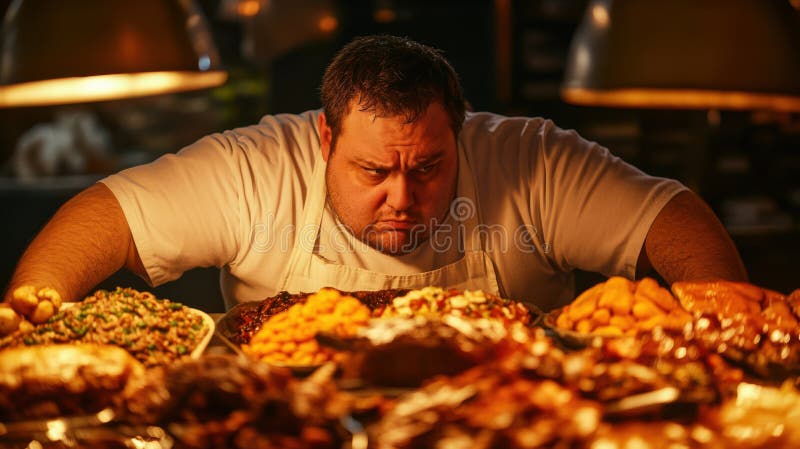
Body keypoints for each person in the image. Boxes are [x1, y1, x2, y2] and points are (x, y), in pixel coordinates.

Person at [4, 35, 747, 311]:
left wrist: (722, 324)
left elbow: (672, 218)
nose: (403, 197)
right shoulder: (255, 166)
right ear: (324, 138)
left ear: (462, 134)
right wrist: (23, 337)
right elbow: (103, 216)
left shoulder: (531, 157)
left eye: (428, 167)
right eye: (371, 171)